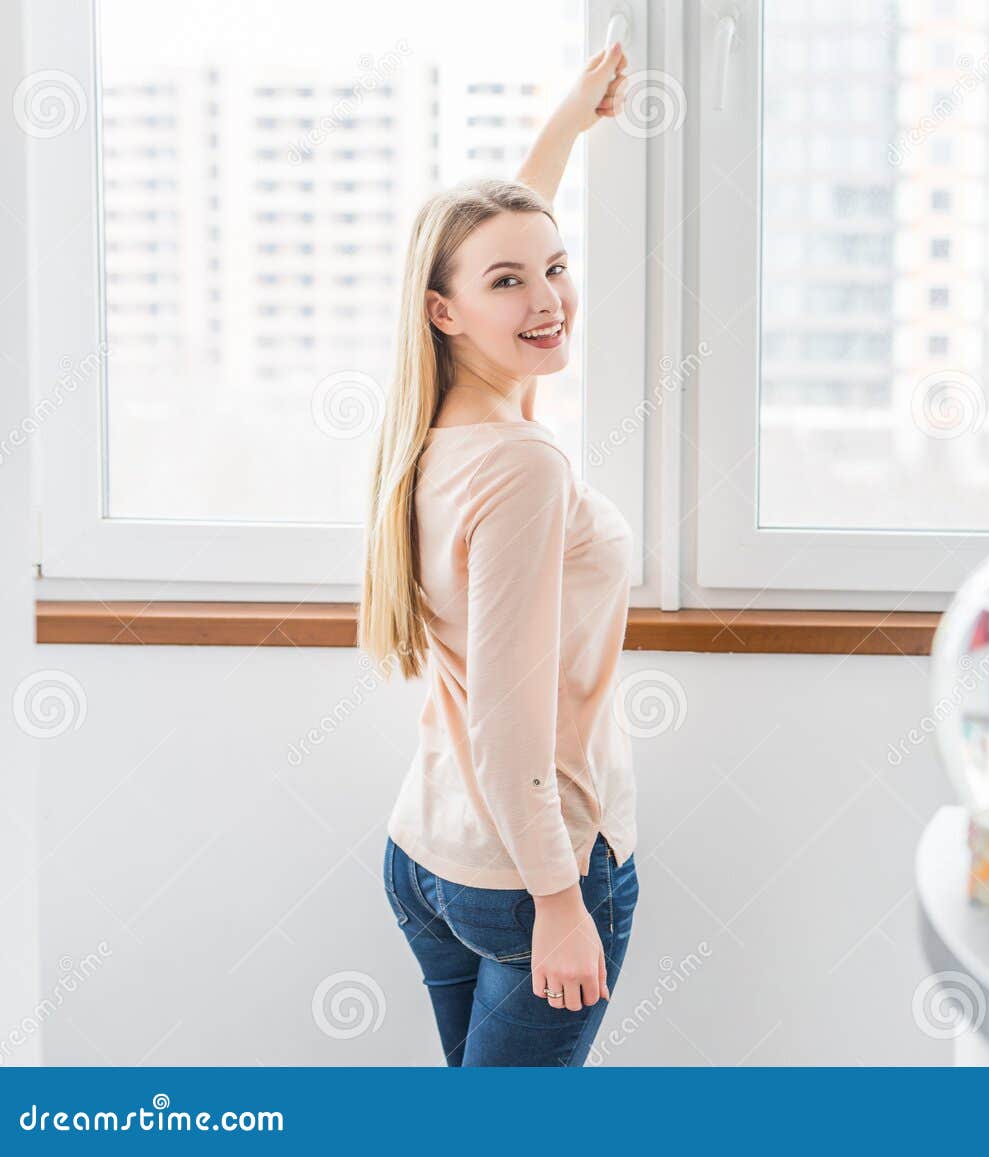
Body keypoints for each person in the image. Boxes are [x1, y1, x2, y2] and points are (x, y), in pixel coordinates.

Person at [357, 42, 638, 1067]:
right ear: (446, 312)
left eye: (557, 268)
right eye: (510, 283)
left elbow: (501, 240)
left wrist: (565, 125)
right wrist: (563, 901)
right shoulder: (521, 465)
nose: (548, 299)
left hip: (429, 851)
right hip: (527, 874)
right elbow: (508, 714)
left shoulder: (439, 429)